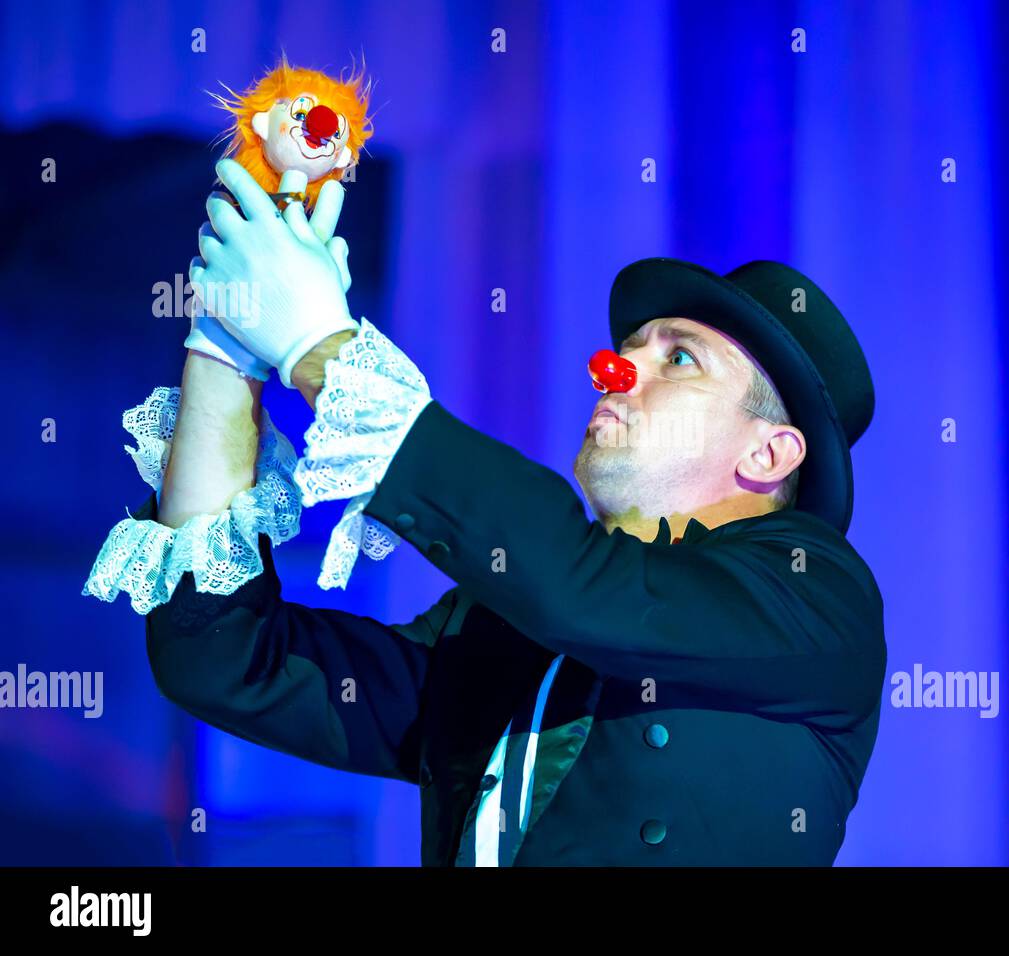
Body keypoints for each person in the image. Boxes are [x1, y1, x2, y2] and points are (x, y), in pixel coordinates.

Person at [83, 158, 887, 866]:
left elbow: (586, 591)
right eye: (630, 345)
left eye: (677, 357)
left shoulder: (815, 593)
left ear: (768, 456)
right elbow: (228, 664)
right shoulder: (499, 625)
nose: (614, 369)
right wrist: (229, 355)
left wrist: (323, 349)